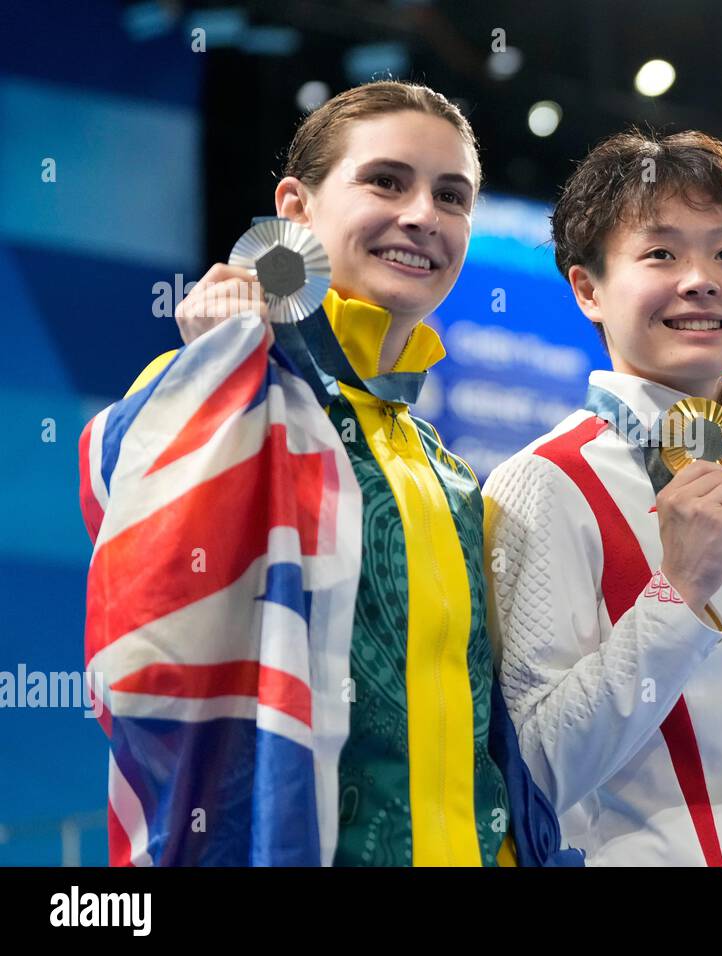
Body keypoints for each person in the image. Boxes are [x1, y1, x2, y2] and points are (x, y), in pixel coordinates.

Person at [82, 80, 559, 866]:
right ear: (295, 208)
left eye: (451, 196)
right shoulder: (227, 400)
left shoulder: (446, 471)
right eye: (386, 181)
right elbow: (145, 659)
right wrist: (214, 379)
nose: (423, 215)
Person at [483, 129, 722, 866]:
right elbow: (536, 768)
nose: (701, 280)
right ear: (589, 289)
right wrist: (679, 593)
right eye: (661, 253)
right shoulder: (545, 480)